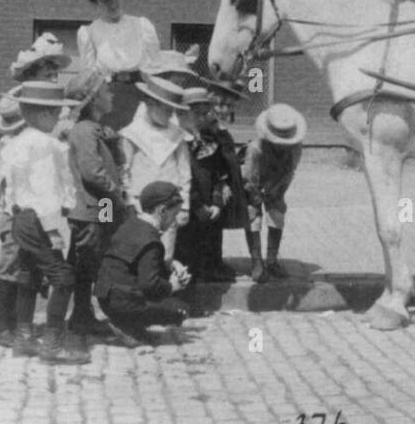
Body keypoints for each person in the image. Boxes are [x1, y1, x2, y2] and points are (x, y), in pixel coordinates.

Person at [0, 80, 90, 365]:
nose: (58, 118)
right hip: (40, 220)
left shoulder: (16, 143)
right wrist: (53, 231)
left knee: (28, 273)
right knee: (63, 277)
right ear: (40, 115)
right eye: (55, 113)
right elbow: (45, 191)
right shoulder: (48, 147)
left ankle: (24, 336)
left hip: (20, 217)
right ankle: (53, 342)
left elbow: (10, 187)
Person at [64, 68, 127, 337]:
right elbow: (92, 172)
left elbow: (115, 164)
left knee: (96, 256)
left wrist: (114, 145)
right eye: (105, 91)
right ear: (92, 100)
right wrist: (117, 193)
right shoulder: (84, 131)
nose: (111, 94)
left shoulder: (98, 130)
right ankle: (80, 315)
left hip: (102, 207)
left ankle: (84, 313)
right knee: (86, 261)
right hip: (92, 208)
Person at [95, 181, 194, 345]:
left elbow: (138, 262)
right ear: (162, 211)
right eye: (174, 214)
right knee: (181, 309)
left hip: (106, 296)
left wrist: (172, 264)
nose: (175, 220)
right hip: (122, 302)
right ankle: (124, 324)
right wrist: (173, 286)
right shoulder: (152, 240)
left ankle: (130, 326)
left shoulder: (132, 224)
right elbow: (149, 285)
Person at [78, 0, 161, 129]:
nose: (112, 3)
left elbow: (155, 70)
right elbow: (89, 80)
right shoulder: (88, 33)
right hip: (109, 103)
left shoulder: (142, 26)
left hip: (141, 99)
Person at [120, 73, 197, 259]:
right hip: (140, 205)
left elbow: (184, 172)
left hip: (168, 206)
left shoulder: (177, 135)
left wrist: (184, 206)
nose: (171, 114)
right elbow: (124, 171)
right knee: (140, 252)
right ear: (150, 103)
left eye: (173, 110)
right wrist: (129, 202)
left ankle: (163, 285)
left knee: (165, 255)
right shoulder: (132, 133)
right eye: (167, 109)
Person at [180, 93, 243, 283]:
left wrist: (216, 200)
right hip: (191, 202)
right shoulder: (179, 143)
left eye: (204, 114)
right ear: (184, 114)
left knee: (212, 232)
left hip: (209, 199)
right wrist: (197, 204)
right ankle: (196, 271)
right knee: (191, 239)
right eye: (196, 114)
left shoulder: (207, 139)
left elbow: (216, 172)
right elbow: (183, 178)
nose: (201, 119)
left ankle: (212, 265)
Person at [241, 104, 306, 282]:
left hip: (276, 185)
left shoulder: (295, 149)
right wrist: (256, 197)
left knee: (277, 214)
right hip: (254, 186)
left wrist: (277, 191)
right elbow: (249, 179)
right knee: (253, 216)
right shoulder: (255, 149)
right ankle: (256, 261)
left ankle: (272, 260)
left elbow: (289, 172)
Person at [0, 91, 26, 347]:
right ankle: (2, 326)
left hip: (17, 215)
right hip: (14, 215)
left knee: (19, 269)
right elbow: (12, 189)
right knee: (10, 270)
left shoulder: (15, 144)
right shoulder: (13, 148)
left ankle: (13, 322)